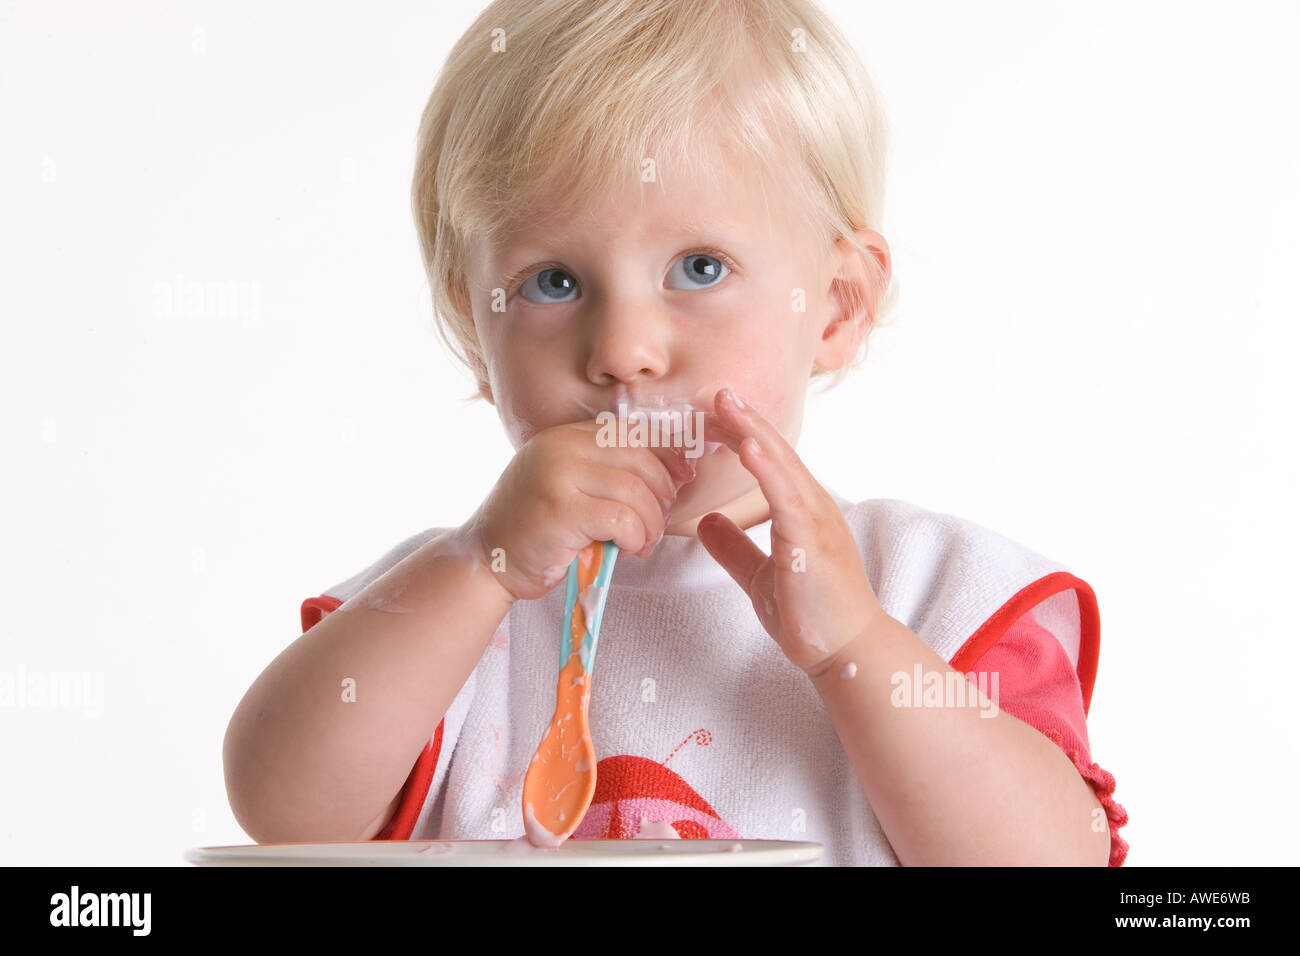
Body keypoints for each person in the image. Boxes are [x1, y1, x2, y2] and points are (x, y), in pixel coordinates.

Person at [223, 0, 1128, 865]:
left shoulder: (932, 592)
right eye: (551, 283)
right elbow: (286, 811)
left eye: (699, 268)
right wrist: (480, 564)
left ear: (837, 305)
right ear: (475, 327)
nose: (623, 351)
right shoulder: (446, 610)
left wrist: (857, 647)